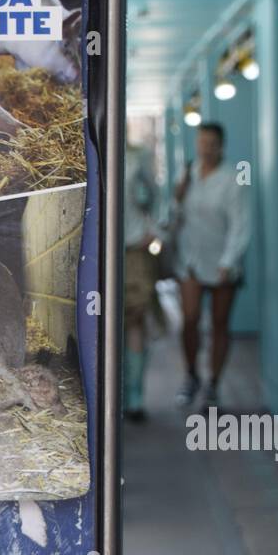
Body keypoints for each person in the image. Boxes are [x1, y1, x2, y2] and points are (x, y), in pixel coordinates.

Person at [171, 123, 250, 409]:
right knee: (189, 319)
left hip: (221, 263)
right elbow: (175, 216)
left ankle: (213, 384)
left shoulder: (232, 179)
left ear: (221, 146)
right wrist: (176, 198)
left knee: (219, 324)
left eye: (211, 143)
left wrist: (229, 261)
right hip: (190, 259)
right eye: (201, 142)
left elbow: (240, 224)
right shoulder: (188, 174)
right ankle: (191, 374)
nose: (205, 148)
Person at [122, 140, 162, 423]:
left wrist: (154, 228)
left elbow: (158, 194)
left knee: (135, 318)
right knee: (111, 324)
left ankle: (135, 397)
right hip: (101, 250)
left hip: (135, 246)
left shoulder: (137, 156)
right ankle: (116, 392)